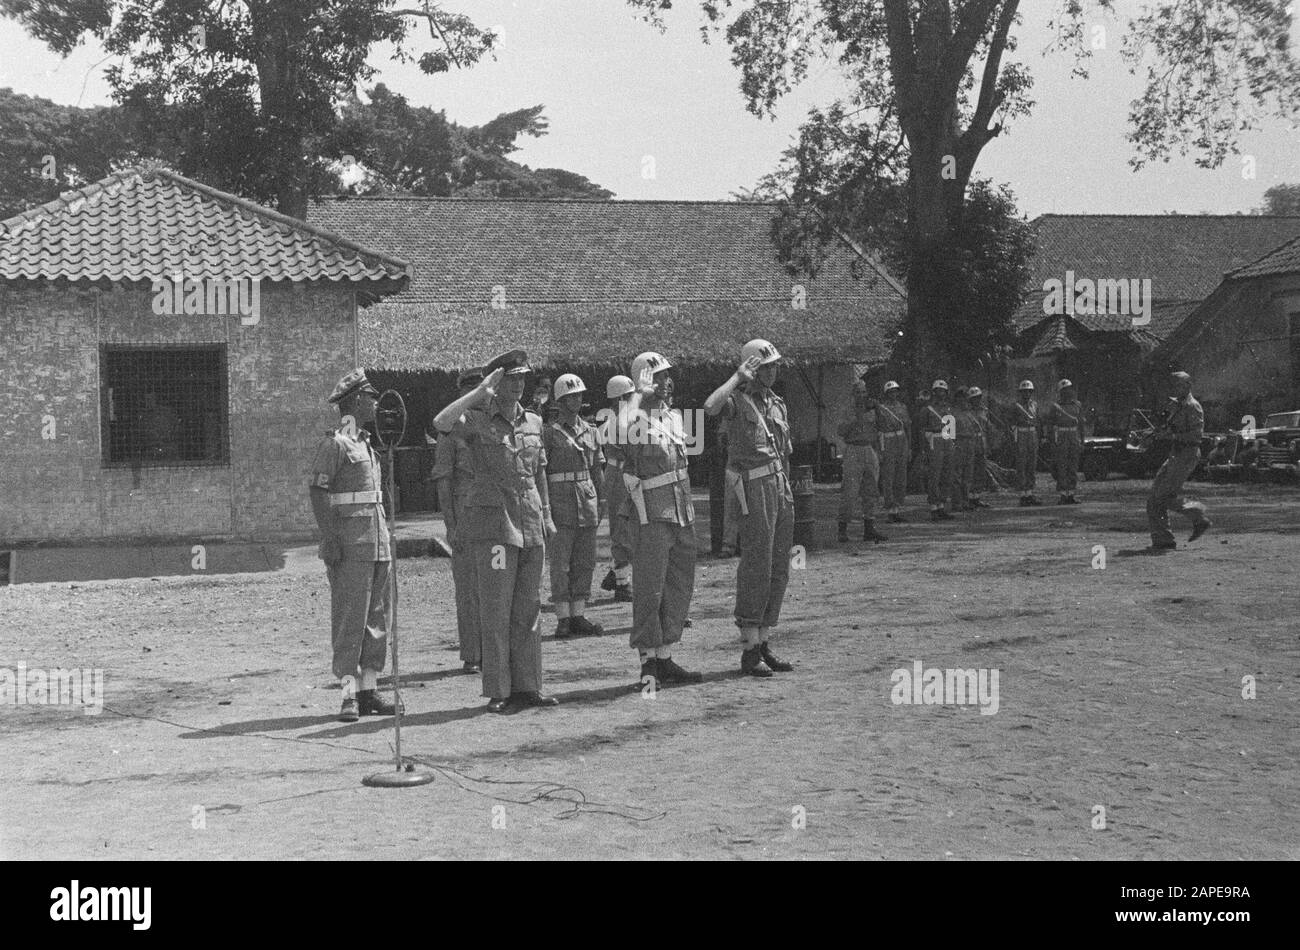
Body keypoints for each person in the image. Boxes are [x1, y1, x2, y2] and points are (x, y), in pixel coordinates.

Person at [433, 351, 558, 714]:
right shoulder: (474, 420)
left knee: (528, 607)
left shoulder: (534, 422)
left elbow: (540, 474)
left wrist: (547, 515)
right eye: (511, 379)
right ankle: (499, 690)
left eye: (523, 378)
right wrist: (477, 394)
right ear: (495, 383)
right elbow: (441, 422)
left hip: (531, 523)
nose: (519, 385)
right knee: (496, 607)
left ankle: (528, 687)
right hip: (495, 527)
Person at [308, 368, 399, 722]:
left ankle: (369, 691)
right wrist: (330, 537)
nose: (376, 403)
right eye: (371, 396)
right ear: (357, 401)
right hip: (349, 545)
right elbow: (318, 491)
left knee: (377, 619)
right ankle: (348, 695)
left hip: (377, 544)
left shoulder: (366, 444)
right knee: (350, 622)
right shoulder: (336, 443)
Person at [705, 339, 796, 676]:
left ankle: (764, 639)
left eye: (774, 365)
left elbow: (784, 450)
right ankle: (748, 647)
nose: (772, 371)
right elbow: (710, 406)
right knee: (757, 562)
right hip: (753, 485)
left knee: (778, 565)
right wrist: (737, 375)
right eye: (765, 365)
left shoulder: (777, 403)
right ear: (752, 367)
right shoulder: (737, 401)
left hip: (778, 484)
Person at [623, 351, 701, 686]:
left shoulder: (673, 417)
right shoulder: (632, 417)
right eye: (658, 376)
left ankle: (666, 655)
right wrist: (639, 394)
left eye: (668, 375)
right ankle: (647, 661)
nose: (667, 381)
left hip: (681, 510)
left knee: (678, 583)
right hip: (651, 512)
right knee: (649, 588)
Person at [431, 366, 484, 674]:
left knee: (494, 585)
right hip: (465, 513)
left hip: (494, 513)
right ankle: (472, 653)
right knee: (467, 588)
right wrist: (450, 526)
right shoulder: (450, 433)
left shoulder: (493, 426)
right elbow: (443, 481)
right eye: (471, 391)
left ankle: (492, 649)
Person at [545, 373, 606, 637]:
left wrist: (602, 500)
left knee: (585, 561)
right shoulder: (548, 434)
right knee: (560, 563)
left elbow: (597, 470)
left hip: (587, 502)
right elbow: (541, 474)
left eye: (579, 395)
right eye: (571, 396)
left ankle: (579, 613)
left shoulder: (591, 431)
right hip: (560, 503)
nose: (577, 400)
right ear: (560, 400)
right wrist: (545, 508)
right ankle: (562, 617)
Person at [1147, 371, 1212, 551]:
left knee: (1162, 497)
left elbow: (1196, 435)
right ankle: (1163, 540)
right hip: (1176, 454)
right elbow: (1170, 427)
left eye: (1179, 385)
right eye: (1173, 385)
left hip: (1187, 453)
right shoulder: (1176, 405)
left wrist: (1172, 435)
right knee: (1153, 498)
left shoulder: (1193, 406)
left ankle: (1198, 515)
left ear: (1188, 385)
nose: (1175, 388)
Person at [836, 376, 888, 543]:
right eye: (858, 392)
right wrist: (857, 416)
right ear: (853, 394)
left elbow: (883, 426)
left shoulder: (871, 408)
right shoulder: (847, 410)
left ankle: (869, 528)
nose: (861, 395)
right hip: (853, 449)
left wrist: (878, 409)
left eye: (864, 392)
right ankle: (842, 529)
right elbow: (841, 431)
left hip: (869, 448)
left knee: (871, 490)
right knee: (850, 491)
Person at [598, 375, 635, 602]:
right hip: (618, 473)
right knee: (621, 529)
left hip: (628, 473)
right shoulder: (614, 422)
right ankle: (622, 583)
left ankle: (616, 571)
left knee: (635, 528)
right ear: (620, 398)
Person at [876, 380, 910, 522]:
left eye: (895, 391)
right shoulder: (881, 408)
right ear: (886, 394)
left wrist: (909, 447)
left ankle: (897, 509)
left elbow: (908, 427)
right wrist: (879, 450)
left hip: (901, 440)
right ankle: (890, 509)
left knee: (901, 476)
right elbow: (877, 429)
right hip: (888, 441)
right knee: (889, 476)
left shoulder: (903, 407)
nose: (893, 394)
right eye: (890, 392)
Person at [1045, 379, 1083, 504]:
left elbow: (1081, 424)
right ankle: (1063, 494)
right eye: (1064, 390)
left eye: (1069, 389)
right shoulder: (1056, 407)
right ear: (1061, 392)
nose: (1068, 392)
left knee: (1073, 465)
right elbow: (1050, 425)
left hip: (1073, 435)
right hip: (1061, 436)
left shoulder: (1077, 405)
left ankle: (1071, 493)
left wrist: (1081, 440)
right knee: (1062, 465)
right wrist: (1051, 441)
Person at [922, 379, 955, 521]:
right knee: (934, 474)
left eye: (943, 391)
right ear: (934, 392)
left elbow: (951, 428)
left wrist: (952, 443)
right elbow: (922, 429)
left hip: (947, 439)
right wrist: (925, 448)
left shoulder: (948, 408)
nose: (941, 394)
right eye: (938, 391)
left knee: (946, 473)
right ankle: (933, 507)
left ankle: (941, 505)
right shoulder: (927, 409)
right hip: (934, 440)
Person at [1012, 380, 1041, 506]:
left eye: (1029, 391)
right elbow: (1011, 422)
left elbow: (1038, 421)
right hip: (1022, 433)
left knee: (1032, 464)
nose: (1027, 394)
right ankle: (1023, 495)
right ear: (1020, 393)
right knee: (1022, 464)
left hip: (1032, 434)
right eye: (1024, 392)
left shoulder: (1034, 405)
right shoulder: (1016, 406)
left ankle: (1030, 493)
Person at [951, 386, 979, 512]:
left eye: (965, 398)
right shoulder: (951, 413)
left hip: (970, 443)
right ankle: (957, 502)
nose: (963, 401)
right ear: (957, 399)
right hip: (958, 443)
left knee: (968, 474)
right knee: (957, 474)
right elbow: (947, 434)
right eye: (961, 398)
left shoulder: (969, 413)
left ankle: (965, 500)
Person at [967, 387, 992, 508]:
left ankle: (976, 496)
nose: (976, 400)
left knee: (980, 470)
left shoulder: (984, 410)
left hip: (981, 441)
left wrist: (988, 444)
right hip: (971, 441)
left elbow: (986, 428)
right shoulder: (967, 411)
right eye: (973, 399)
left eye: (978, 398)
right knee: (970, 470)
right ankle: (969, 497)